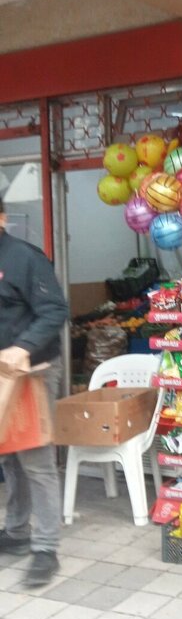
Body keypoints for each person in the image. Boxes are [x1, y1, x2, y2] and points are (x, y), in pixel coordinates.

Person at [0, 196, 69, 587]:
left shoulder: (24, 258)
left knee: (36, 459)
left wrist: (22, 347)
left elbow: (55, 311)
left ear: (3, 218)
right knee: (8, 456)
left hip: (32, 371)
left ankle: (46, 548)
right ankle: (16, 531)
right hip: (0, 374)